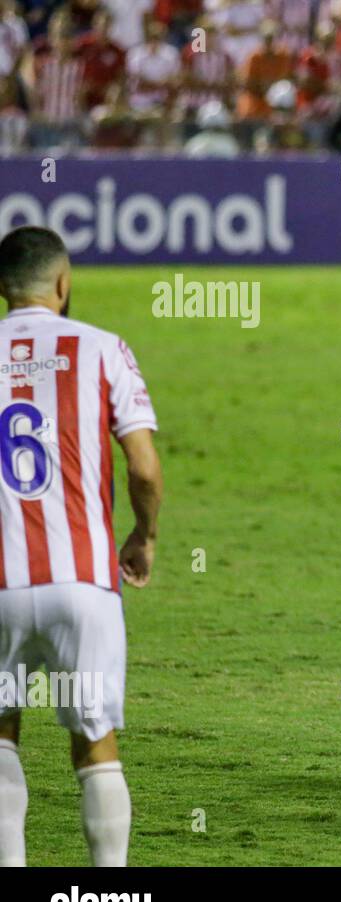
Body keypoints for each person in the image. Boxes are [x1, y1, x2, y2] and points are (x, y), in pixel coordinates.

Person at [0, 226, 163, 866]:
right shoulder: (102, 349)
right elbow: (144, 468)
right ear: (63, 285)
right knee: (95, 741)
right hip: (85, 583)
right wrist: (144, 537)